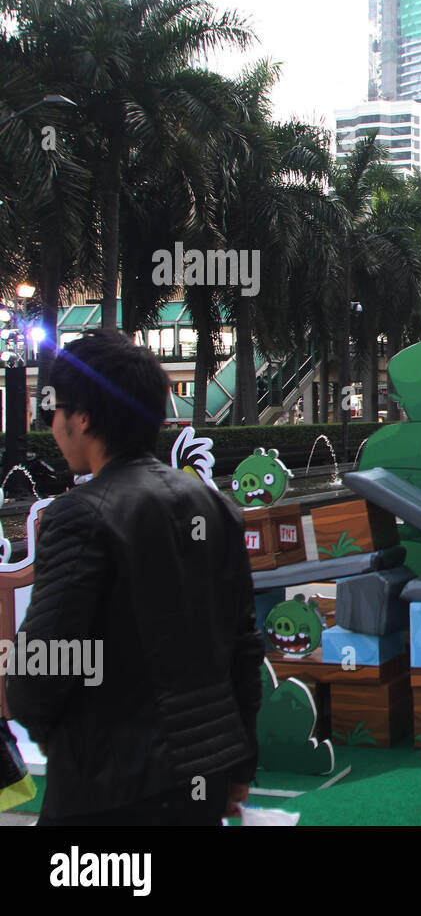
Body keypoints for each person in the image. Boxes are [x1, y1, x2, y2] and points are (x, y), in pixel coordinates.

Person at [6, 330, 262, 825]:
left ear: (82, 417)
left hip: (107, 782)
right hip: (200, 777)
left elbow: (43, 665)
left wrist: (37, 717)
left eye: (54, 412)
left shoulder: (79, 515)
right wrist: (239, 764)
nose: (53, 427)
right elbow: (243, 646)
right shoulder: (214, 507)